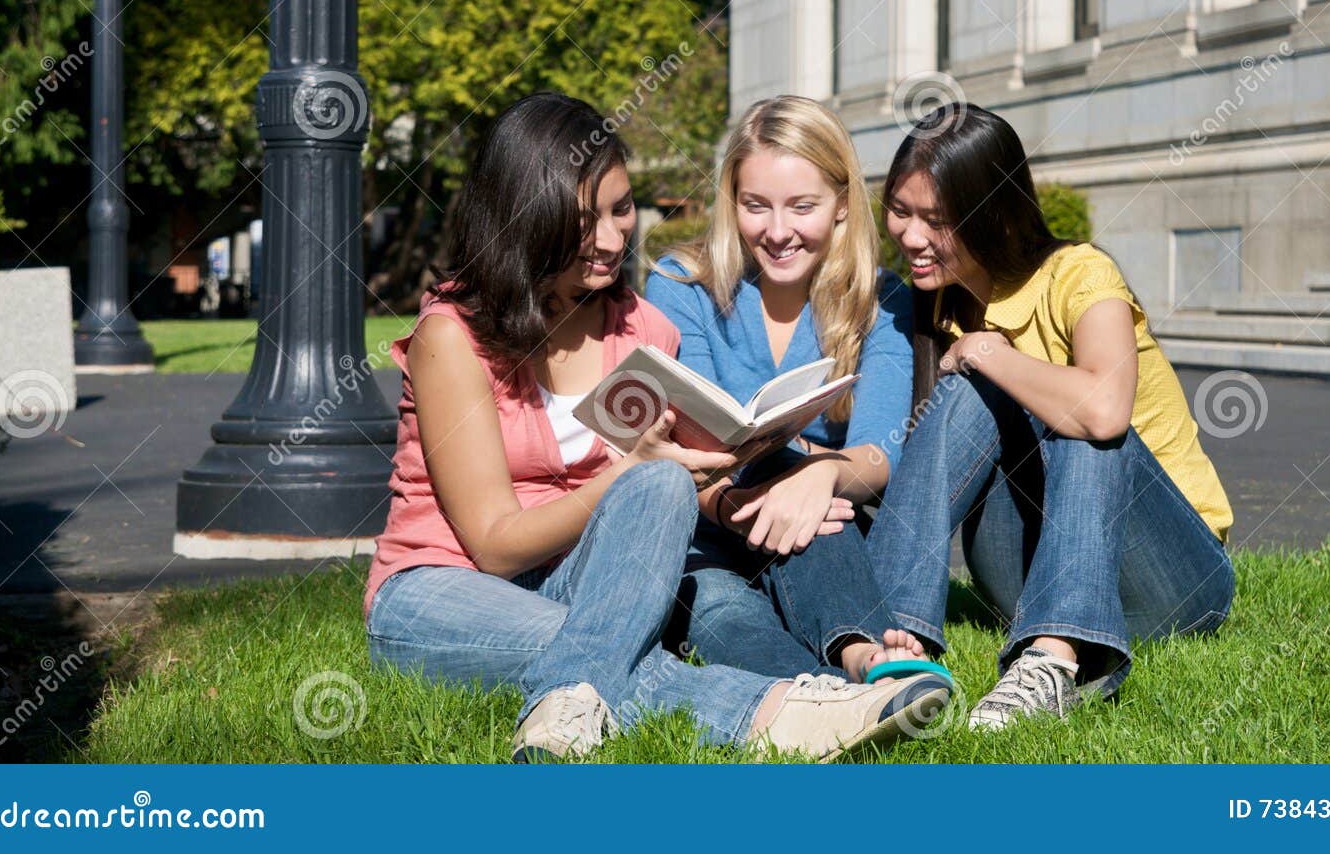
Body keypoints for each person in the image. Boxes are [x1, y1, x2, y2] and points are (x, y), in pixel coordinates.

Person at [363, 93, 949, 763]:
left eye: (622, 210)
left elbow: (670, 485)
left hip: (588, 582)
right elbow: (493, 547)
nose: (615, 239)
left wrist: (723, 491)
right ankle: (791, 709)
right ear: (529, 217)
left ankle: (572, 708)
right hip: (444, 591)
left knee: (663, 496)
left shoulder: (641, 327)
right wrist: (629, 474)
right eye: (587, 221)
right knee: (622, 627)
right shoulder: (454, 336)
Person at [867, 101, 1236, 731]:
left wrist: (987, 350)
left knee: (1083, 413)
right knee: (970, 385)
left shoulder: (1082, 275)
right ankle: (896, 636)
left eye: (938, 220)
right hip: (1026, 567)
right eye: (900, 212)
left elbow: (1104, 413)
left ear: (994, 213)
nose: (911, 236)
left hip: (1172, 576)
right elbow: (918, 464)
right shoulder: (936, 307)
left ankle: (1055, 660)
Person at [646, 96, 929, 684]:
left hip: (821, 529)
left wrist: (818, 473)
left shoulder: (880, 299)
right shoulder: (679, 286)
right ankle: (823, 701)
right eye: (756, 206)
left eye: (802, 207)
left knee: (798, 479)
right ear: (732, 204)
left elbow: (881, 453)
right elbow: (680, 444)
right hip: (705, 529)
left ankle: (859, 654)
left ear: (843, 205)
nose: (778, 232)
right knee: (724, 616)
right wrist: (759, 491)